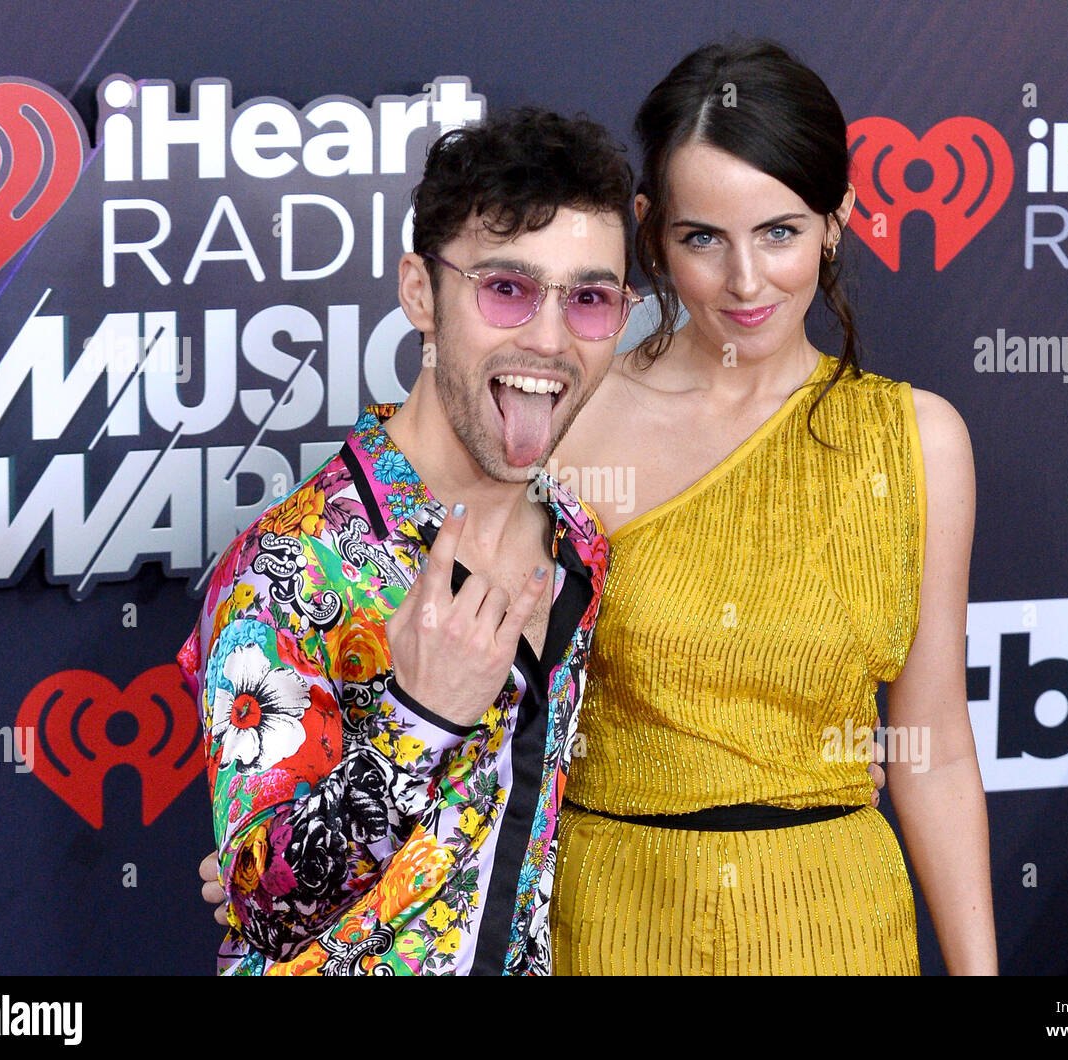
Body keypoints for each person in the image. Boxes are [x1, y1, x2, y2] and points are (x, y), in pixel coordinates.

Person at [544, 40, 997, 975]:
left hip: (837, 921)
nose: (746, 283)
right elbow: (473, 704)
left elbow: (935, 747)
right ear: (651, 231)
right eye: (703, 237)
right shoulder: (568, 416)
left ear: (834, 222)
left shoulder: (920, 441)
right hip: (613, 915)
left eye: (780, 232)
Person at [178, 107, 639, 975]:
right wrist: (418, 721)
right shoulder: (289, 565)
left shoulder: (580, 545)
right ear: (421, 293)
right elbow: (263, 913)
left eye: (588, 298)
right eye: (507, 288)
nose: (547, 337)